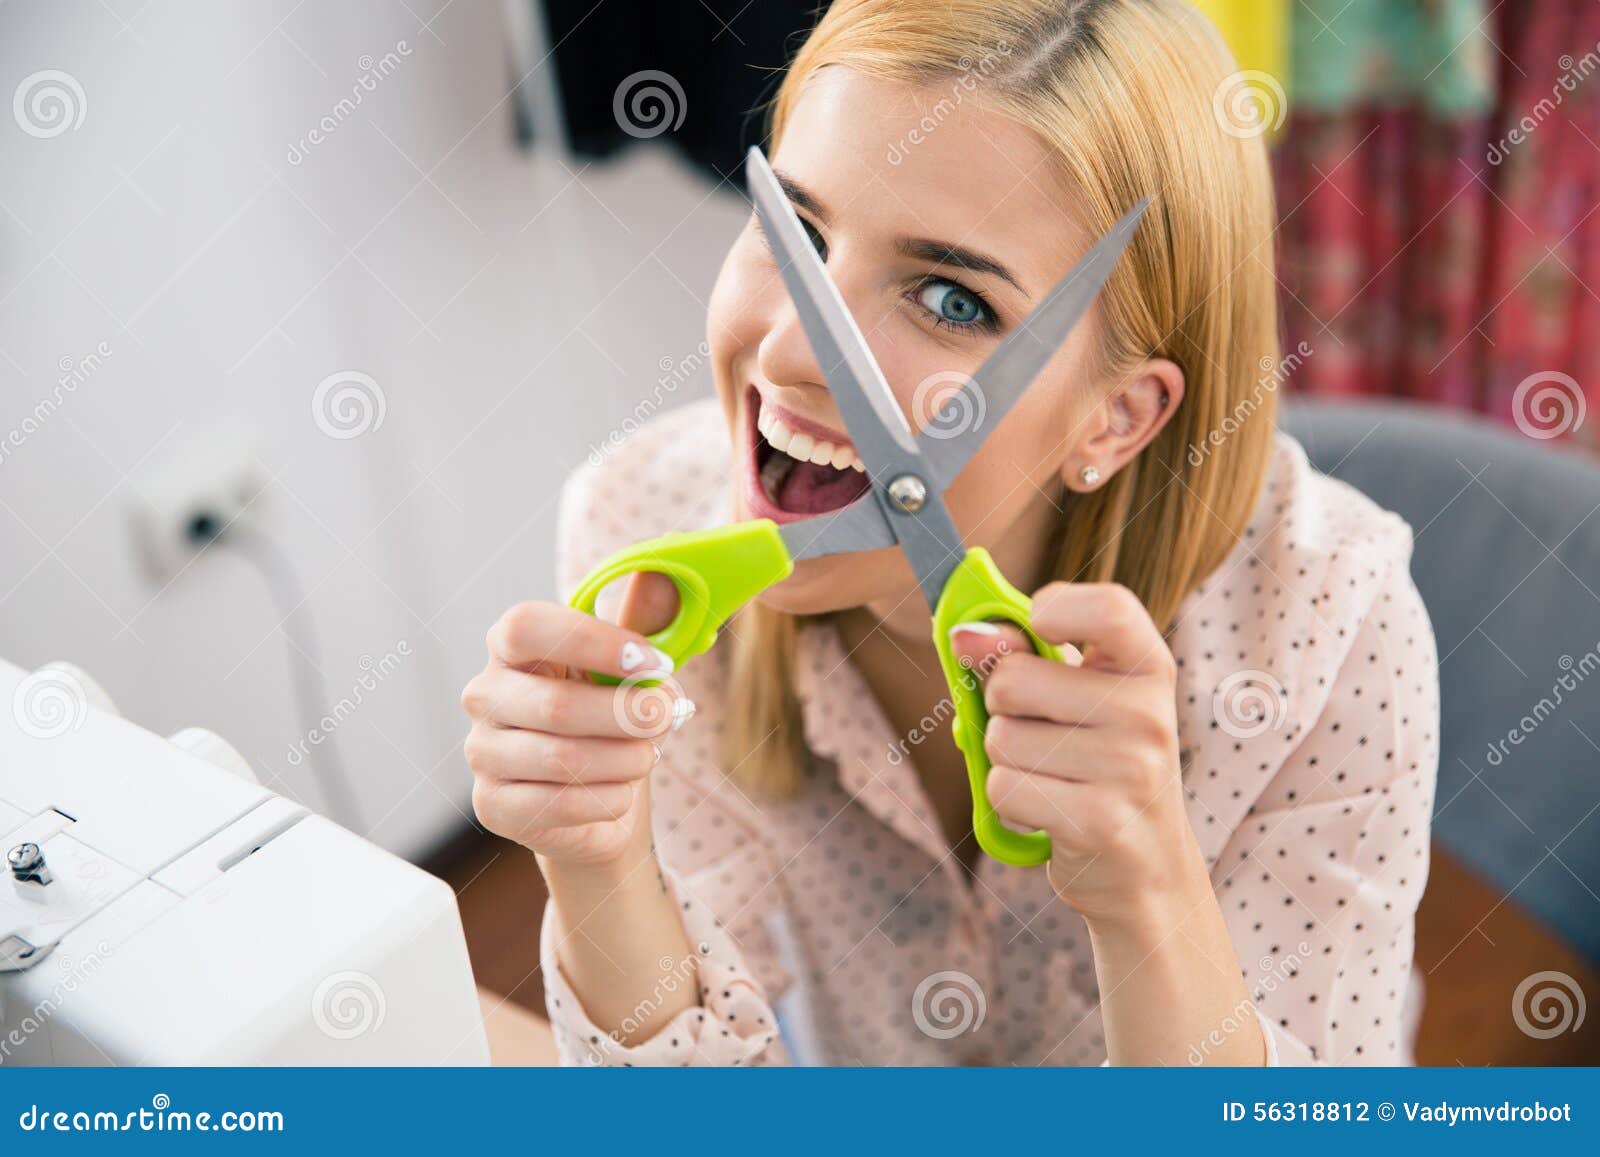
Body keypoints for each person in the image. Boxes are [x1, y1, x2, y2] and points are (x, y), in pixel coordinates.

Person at [461, 0, 1439, 1066]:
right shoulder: (640, 530)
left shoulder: (1331, 620)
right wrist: (597, 867)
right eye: (798, 234)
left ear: (1116, 418)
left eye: (949, 299)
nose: (791, 352)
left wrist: (1147, 897)